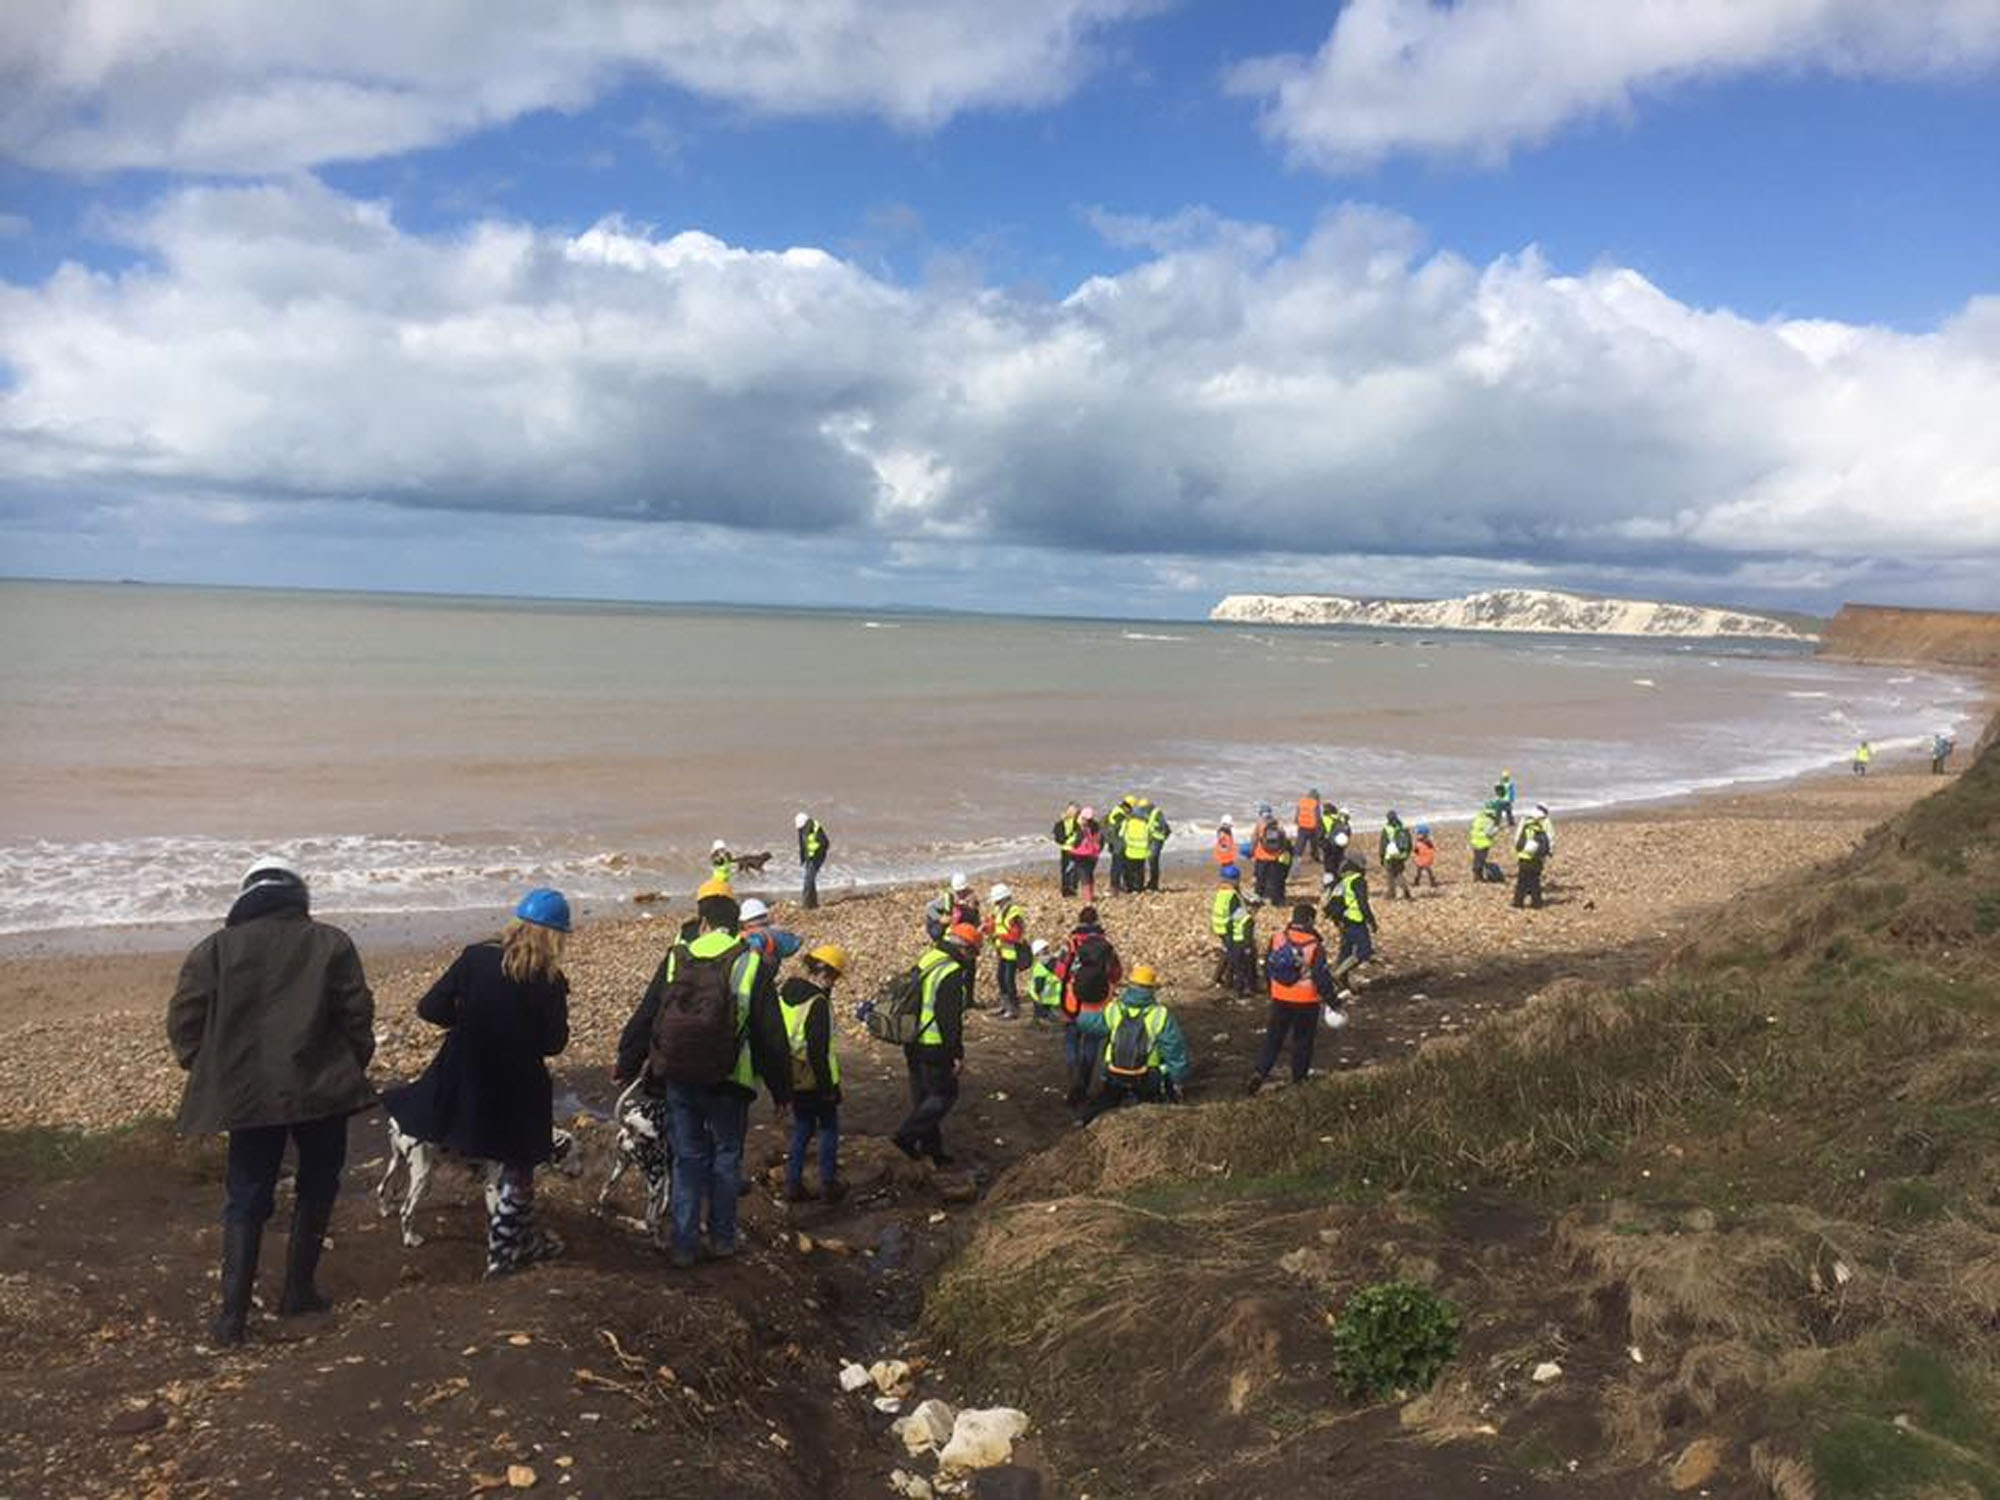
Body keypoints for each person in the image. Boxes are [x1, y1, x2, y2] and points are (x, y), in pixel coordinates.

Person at [167, 857, 376, 1346]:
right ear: (298, 895)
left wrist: (211, 1071)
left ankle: (232, 1317)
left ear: (245, 897)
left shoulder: (213, 949)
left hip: (246, 1094)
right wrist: (350, 1065)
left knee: (246, 1193)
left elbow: (184, 1022)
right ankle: (298, 1291)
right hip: (320, 1089)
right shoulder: (331, 942)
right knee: (319, 1183)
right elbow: (357, 1013)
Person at [385, 888, 571, 1276]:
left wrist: (468, 1021)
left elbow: (429, 1007)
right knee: (518, 1163)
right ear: (556, 936)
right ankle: (504, 1251)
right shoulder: (550, 980)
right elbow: (553, 1043)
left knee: (461, 1138)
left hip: (463, 1076)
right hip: (518, 1084)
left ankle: (519, 1239)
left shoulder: (475, 958)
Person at [622, 879, 791, 1267]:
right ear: (738, 926)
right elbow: (770, 1035)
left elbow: (649, 1012)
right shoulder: (750, 963)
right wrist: (782, 1090)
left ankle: (683, 1245)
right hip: (731, 1080)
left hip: (680, 1075)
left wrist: (627, 1061)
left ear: (702, 923)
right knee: (727, 1157)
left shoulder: (677, 957)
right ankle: (722, 1240)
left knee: (687, 1158)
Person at [893, 922, 978, 1166]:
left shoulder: (930, 957)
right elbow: (948, 1019)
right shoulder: (951, 971)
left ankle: (932, 1150)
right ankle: (905, 1138)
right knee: (944, 1095)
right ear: (965, 949)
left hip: (913, 1038)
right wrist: (956, 1053)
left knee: (923, 1098)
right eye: (973, 953)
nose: (973, 959)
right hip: (934, 1044)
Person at [1246, 902, 1341, 1093]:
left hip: (1280, 997)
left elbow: (1267, 966)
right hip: (1306, 1000)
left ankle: (1260, 1072)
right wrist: (1333, 1001)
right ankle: (1299, 1080)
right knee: (1302, 1041)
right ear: (1310, 920)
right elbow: (1321, 977)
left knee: (1273, 1039)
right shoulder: (1314, 945)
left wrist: (1271, 990)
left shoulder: (1278, 938)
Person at [779, 945, 848, 1204]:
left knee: (802, 1128)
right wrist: (828, 1087)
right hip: (815, 1078)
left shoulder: (785, 992)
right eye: (835, 977)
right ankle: (828, 1183)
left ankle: (793, 1183)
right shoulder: (817, 1003)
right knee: (828, 1127)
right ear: (826, 973)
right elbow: (818, 1051)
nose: (834, 983)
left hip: (792, 1074)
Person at [1083, 965, 1192, 1122]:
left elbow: (1093, 1025)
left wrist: (1075, 1013)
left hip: (1114, 1072)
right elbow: (1174, 1049)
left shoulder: (1114, 1008)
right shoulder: (1160, 1014)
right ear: (1152, 988)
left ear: (1130, 985)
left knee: (1105, 1102)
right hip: (1146, 1075)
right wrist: (1178, 1079)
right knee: (1154, 1108)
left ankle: (1086, 1122)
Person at [1056, 906, 1123, 1106]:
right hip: (1097, 1003)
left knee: (1071, 1042)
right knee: (1091, 1045)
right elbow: (1116, 974)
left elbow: (1060, 971)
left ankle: (1074, 1081)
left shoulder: (1071, 943)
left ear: (1079, 920)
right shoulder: (1106, 945)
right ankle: (1083, 1087)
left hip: (1072, 1002)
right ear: (1097, 921)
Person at [1326, 854, 1378, 995]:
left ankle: (1339, 983)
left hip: (1343, 920)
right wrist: (1371, 921)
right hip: (1356, 920)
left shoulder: (1344, 880)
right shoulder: (1358, 880)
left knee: (1345, 951)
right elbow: (1362, 903)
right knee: (1364, 951)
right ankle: (1337, 975)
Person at [985, 882, 1028, 1019]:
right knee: (1001, 978)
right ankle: (1005, 1006)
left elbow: (1016, 935)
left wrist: (998, 936)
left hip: (1013, 953)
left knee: (1009, 981)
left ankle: (1013, 1009)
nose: (995, 904)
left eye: (997, 901)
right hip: (1003, 952)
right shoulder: (999, 910)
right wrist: (988, 928)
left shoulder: (1014, 913)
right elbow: (994, 925)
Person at [740, 897, 803, 975]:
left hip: (757, 973)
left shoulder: (754, 936)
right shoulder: (776, 932)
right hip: (769, 971)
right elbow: (795, 944)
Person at [1513, 808, 1552, 910]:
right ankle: (1536, 903)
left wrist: (1521, 850)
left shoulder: (1525, 830)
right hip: (1536, 860)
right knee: (1535, 882)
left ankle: (1518, 902)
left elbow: (1519, 844)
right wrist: (1544, 855)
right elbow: (1545, 847)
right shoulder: (1541, 832)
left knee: (1522, 882)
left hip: (1524, 859)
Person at [925, 873, 979, 941]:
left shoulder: (971, 898)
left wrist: (972, 909)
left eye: (963, 891)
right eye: (958, 892)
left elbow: (975, 921)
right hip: (939, 926)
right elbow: (929, 908)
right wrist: (940, 919)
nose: (961, 894)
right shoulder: (947, 898)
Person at [795, 812, 831, 910]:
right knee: (810, 880)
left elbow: (825, 843)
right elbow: (802, 845)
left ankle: (805, 905)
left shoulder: (815, 828)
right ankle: (813, 903)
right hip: (809, 858)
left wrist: (816, 853)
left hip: (816, 857)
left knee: (808, 881)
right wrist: (802, 858)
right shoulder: (801, 830)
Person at [1027, 938, 1064, 1026]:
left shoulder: (1042, 966)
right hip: (1048, 996)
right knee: (1047, 1012)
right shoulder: (1054, 964)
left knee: (1043, 1013)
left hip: (1044, 996)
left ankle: (1039, 1022)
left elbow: (1039, 985)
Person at [1379, 811, 1414, 901]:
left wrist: (1382, 857)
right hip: (1401, 855)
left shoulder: (1387, 829)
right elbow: (1409, 843)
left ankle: (1391, 893)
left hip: (1390, 855)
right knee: (1398, 873)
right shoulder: (1402, 827)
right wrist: (1406, 855)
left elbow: (1383, 845)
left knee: (1390, 875)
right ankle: (1406, 890)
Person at [1072, 809, 1103, 902]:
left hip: (1082, 854)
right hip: (1094, 855)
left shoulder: (1083, 828)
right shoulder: (1096, 827)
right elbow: (1101, 841)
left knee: (1084, 875)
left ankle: (1087, 897)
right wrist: (1097, 851)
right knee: (1089, 874)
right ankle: (1091, 895)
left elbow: (1077, 841)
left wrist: (1072, 848)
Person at [1052, 803, 1083, 896]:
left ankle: (1071, 888)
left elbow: (1081, 835)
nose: (1073, 812)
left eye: (1075, 811)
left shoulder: (1077, 822)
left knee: (1073, 869)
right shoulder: (1062, 823)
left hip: (1075, 849)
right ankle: (1067, 889)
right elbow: (1059, 837)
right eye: (1071, 810)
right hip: (1067, 849)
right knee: (1067, 869)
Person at [1470, 803, 1503, 884]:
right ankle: (1479, 876)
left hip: (1475, 840)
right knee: (1481, 859)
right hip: (1483, 842)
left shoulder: (1480, 817)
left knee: (1477, 858)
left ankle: (1476, 875)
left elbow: (1474, 827)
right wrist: (1497, 829)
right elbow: (1489, 833)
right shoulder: (1489, 820)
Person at [1144, 800, 1171, 891]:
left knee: (1153, 861)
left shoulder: (1156, 814)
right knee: (1152, 861)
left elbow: (1161, 827)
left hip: (1156, 839)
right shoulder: (1152, 813)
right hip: (1154, 839)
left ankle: (1153, 884)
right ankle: (1152, 883)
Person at [1296, 789, 1324, 864]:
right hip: (1312, 827)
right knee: (1314, 843)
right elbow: (1318, 816)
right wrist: (1320, 826)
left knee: (1300, 843)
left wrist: (1297, 822)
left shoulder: (1302, 802)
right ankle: (1315, 857)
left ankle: (1297, 858)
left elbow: (1298, 813)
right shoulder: (1315, 804)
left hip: (1302, 826)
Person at [1411, 824, 1439, 889]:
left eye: (1419, 834)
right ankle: (1418, 882)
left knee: (1426, 870)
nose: (1417, 835)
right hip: (1421, 859)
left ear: (1423, 834)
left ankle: (1432, 882)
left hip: (1425, 859)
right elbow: (1416, 850)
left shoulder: (1426, 842)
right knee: (1420, 871)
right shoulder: (1423, 841)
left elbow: (1418, 850)